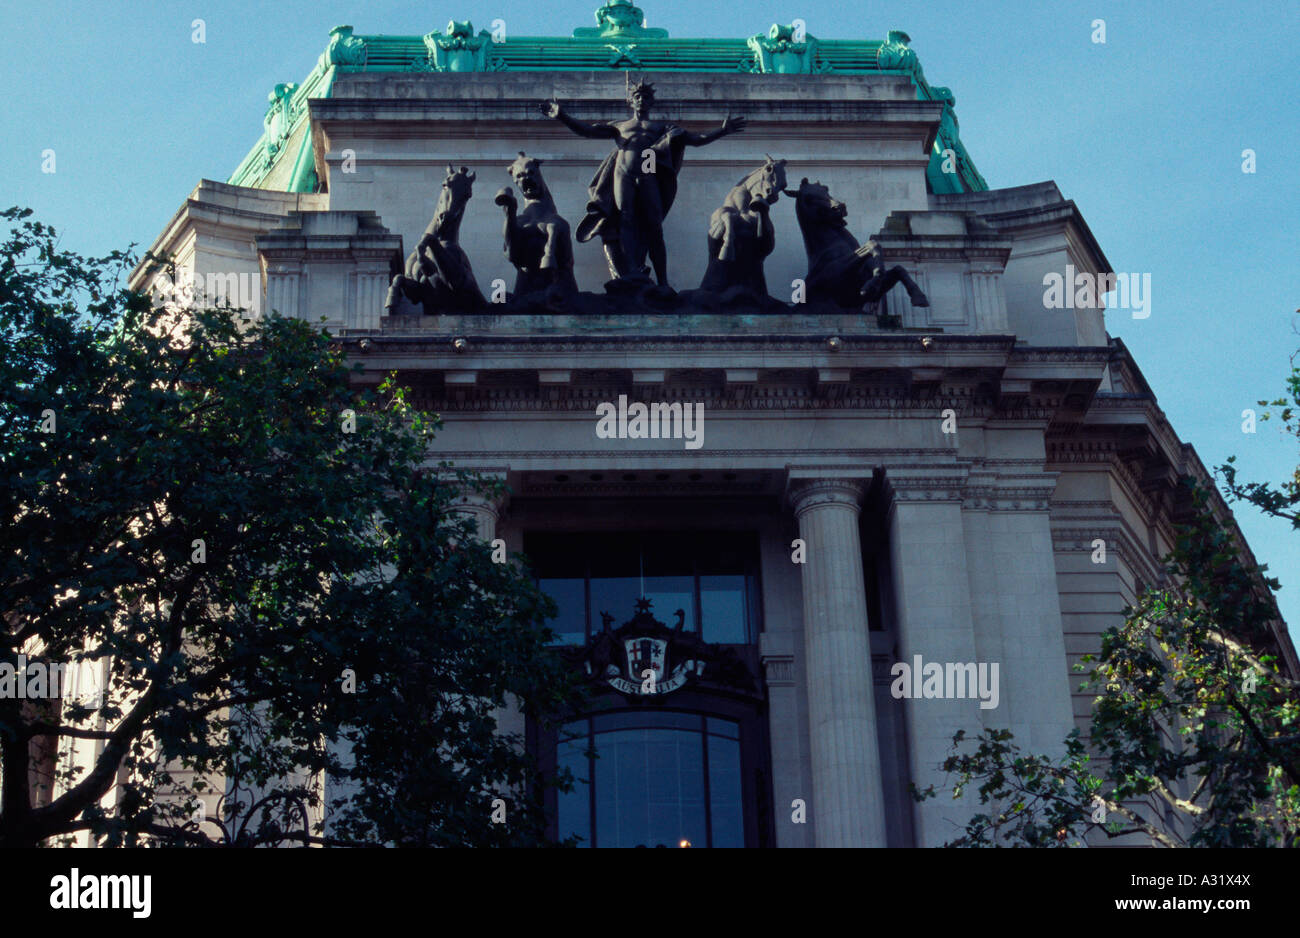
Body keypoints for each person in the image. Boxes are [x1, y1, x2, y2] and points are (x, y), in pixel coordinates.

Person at [541, 81, 746, 289]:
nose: (641, 100)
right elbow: (586, 131)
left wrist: (722, 131)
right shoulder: (619, 126)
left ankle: (663, 281)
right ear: (630, 101)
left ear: (652, 102)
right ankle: (630, 272)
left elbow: (695, 139)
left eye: (646, 97)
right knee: (626, 219)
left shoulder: (660, 128)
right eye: (637, 96)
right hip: (624, 174)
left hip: (648, 173)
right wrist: (561, 116)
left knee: (654, 226)